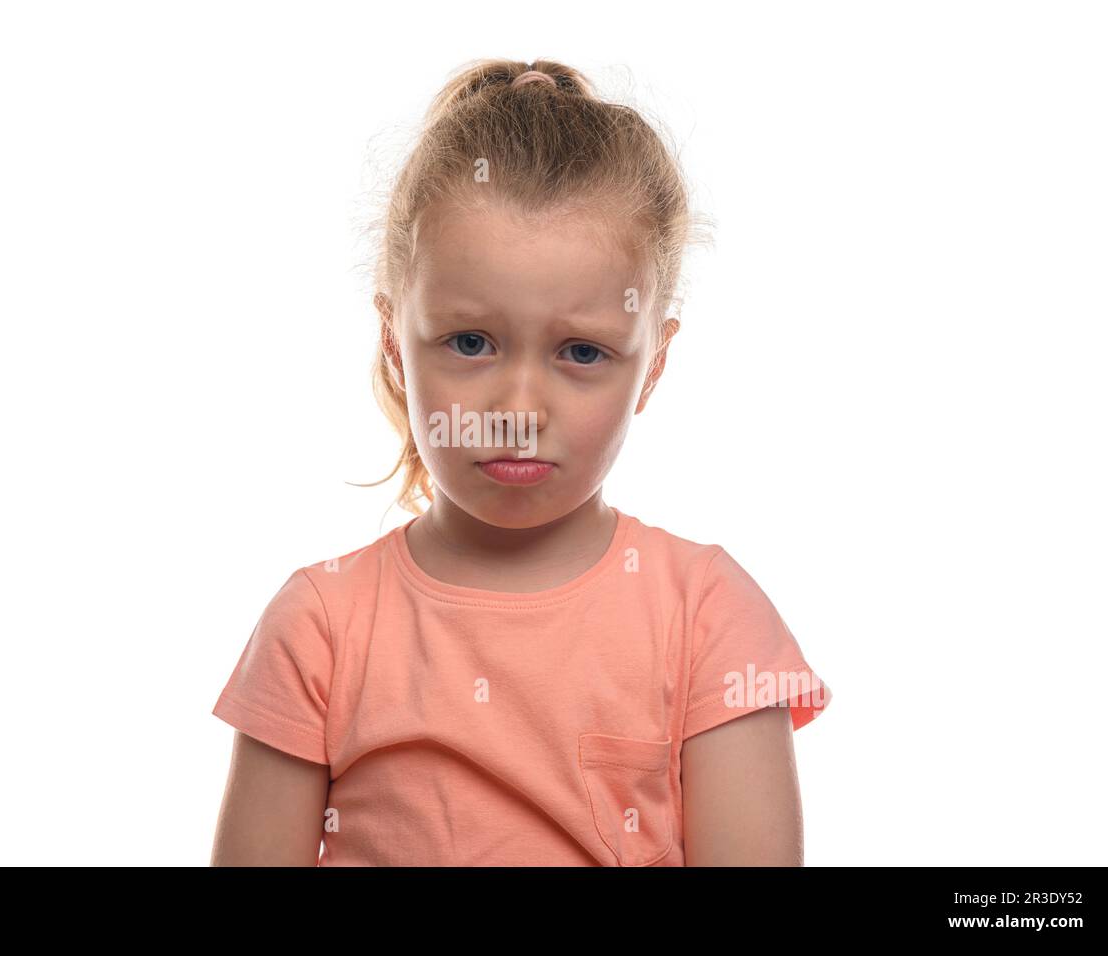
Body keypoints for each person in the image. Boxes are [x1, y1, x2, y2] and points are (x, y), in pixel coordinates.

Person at [210, 58, 831, 866]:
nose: (518, 411)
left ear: (655, 364)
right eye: (470, 342)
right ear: (395, 343)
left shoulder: (709, 620)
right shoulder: (319, 627)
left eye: (581, 351)